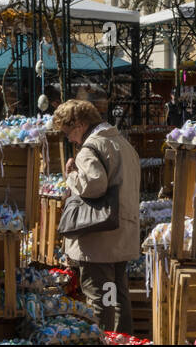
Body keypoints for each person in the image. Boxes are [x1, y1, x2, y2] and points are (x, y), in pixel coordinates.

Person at [55, 98, 139, 334]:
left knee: (100, 300)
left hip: (98, 240)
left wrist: (70, 174)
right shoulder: (121, 143)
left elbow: (94, 185)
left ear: (79, 124)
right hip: (121, 235)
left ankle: (103, 339)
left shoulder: (90, 148)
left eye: (68, 132)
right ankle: (124, 339)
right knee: (117, 297)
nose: (70, 139)